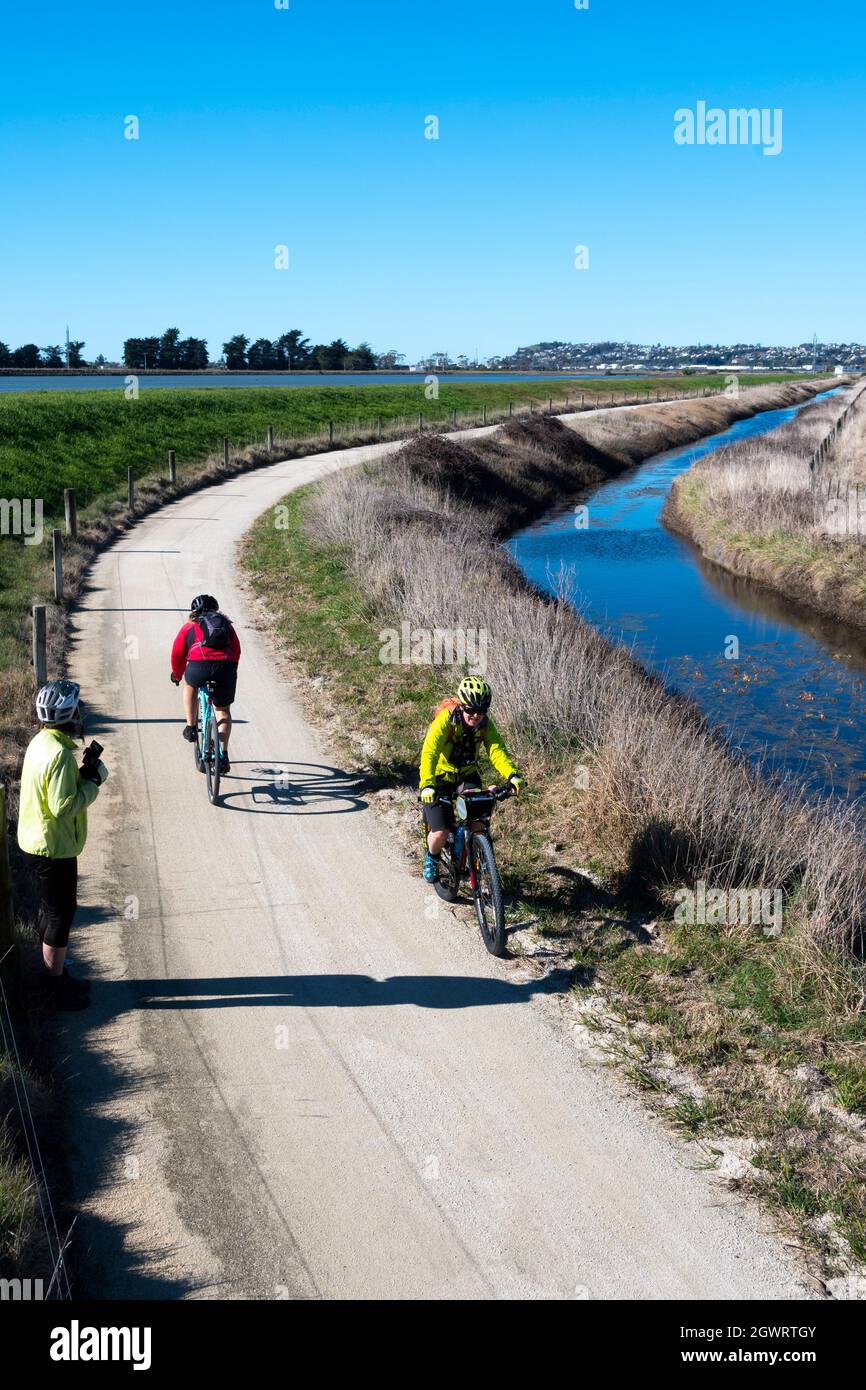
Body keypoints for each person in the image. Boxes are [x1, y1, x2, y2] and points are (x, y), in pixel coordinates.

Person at [17, 679, 108, 1012]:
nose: (81, 713)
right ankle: (54, 989)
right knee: (60, 914)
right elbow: (63, 806)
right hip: (52, 847)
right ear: (70, 714)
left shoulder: (41, 743)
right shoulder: (60, 756)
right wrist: (93, 783)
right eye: (78, 708)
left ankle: (52, 973)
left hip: (34, 841)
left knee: (49, 908)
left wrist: (81, 776)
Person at [419, 675, 523, 883]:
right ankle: (431, 858)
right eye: (471, 710)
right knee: (440, 831)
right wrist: (427, 785)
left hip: (467, 775)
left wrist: (511, 774)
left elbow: (496, 750)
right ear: (461, 706)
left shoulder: (484, 724)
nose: (476, 715)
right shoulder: (445, 721)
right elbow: (429, 753)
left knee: (478, 824)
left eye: (481, 711)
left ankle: (483, 871)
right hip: (439, 778)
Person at [170, 594, 241, 774]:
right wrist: (230, 669)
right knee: (222, 710)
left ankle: (191, 727)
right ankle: (223, 755)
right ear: (215, 610)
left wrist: (177, 675)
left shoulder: (189, 627)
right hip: (226, 667)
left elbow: (177, 654)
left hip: (199, 666)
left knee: (189, 685)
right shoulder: (226, 625)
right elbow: (237, 650)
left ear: (194, 611)